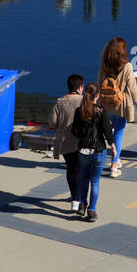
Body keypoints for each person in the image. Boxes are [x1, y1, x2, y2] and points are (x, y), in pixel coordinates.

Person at [97, 37, 137, 179]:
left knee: (112, 130)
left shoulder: (104, 65)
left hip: (107, 103)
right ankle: (114, 164)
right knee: (119, 133)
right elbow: (132, 87)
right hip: (121, 104)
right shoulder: (126, 66)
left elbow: (99, 82)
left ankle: (115, 159)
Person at [70, 83, 115, 222]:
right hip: (98, 150)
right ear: (97, 95)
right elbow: (107, 131)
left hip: (83, 150)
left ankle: (82, 204)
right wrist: (113, 146)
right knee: (95, 181)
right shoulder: (101, 111)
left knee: (84, 178)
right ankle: (92, 210)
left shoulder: (79, 111)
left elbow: (74, 131)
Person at [48, 74, 85, 213]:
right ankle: (78, 198)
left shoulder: (60, 102)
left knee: (71, 169)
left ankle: (74, 197)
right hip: (82, 141)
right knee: (80, 170)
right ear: (80, 87)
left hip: (64, 141)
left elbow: (52, 122)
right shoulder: (85, 101)